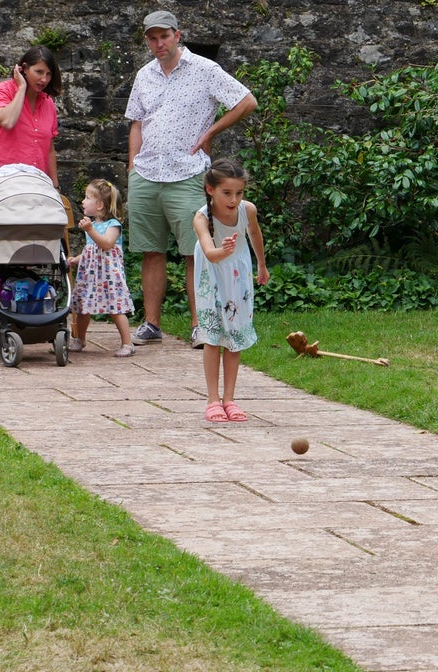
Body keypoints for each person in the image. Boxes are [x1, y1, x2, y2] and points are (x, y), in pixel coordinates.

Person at [124, 10, 258, 348]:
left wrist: (211, 130)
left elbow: (246, 101)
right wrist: (131, 168)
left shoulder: (204, 69)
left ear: (177, 35)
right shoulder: (144, 75)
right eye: (152, 38)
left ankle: (200, 327)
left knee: (196, 251)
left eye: (164, 36)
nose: (158, 43)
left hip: (188, 173)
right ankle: (151, 324)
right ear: (147, 40)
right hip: (147, 173)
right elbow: (137, 122)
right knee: (150, 252)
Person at [192, 159, 269, 422]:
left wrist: (262, 264)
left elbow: (255, 235)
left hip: (238, 275)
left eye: (239, 193)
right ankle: (213, 400)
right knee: (213, 337)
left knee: (234, 336)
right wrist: (221, 250)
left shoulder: (248, 210)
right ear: (210, 189)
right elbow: (210, 253)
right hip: (211, 275)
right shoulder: (201, 218)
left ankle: (230, 399)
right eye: (227, 193)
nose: (234, 199)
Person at [68, 179, 136, 357]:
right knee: (83, 307)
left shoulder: (112, 225)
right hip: (91, 275)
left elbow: (106, 244)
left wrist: (90, 230)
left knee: (116, 308)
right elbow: (92, 250)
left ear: (99, 205)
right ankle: (80, 339)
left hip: (108, 276)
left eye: (87, 197)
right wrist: (77, 259)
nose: (83, 201)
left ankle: (127, 343)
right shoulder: (93, 225)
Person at [0, 46, 62, 189]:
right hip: (2, 181)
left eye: (49, 74)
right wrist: (21, 88)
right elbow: (7, 121)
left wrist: (55, 187)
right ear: (24, 68)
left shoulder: (48, 103)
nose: (44, 79)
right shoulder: (3, 91)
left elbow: (49, 148)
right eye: (39, 72)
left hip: (37, 184)